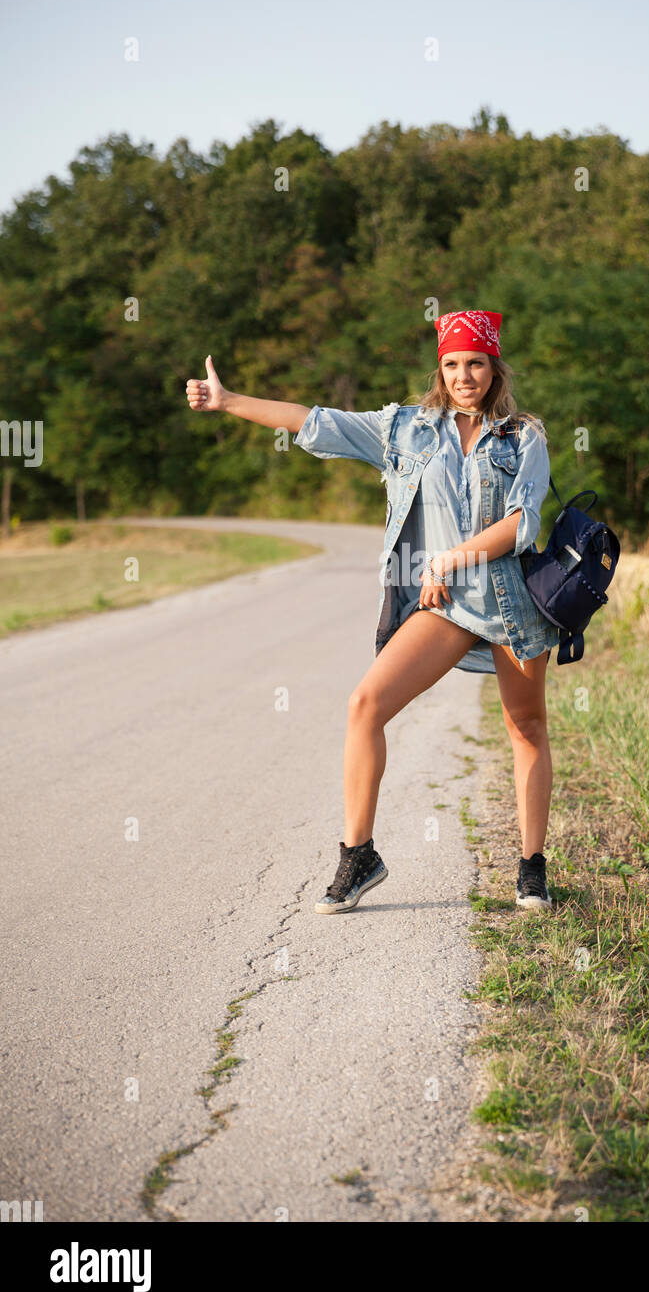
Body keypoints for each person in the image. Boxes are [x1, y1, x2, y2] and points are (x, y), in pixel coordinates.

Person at [185, 309, 560, 914]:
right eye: (453, 364)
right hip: (444, 608)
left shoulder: (524, 436)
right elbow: (315, 423)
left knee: (527, 730)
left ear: (494, 368)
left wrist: (447, 560)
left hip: (512, 603)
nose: (465, 375)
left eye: (476, 363)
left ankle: (531, 869)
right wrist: (229, 402)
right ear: (440, 369)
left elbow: (523, 524)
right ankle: (359, 856)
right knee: (365, 705)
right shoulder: (405, 429)